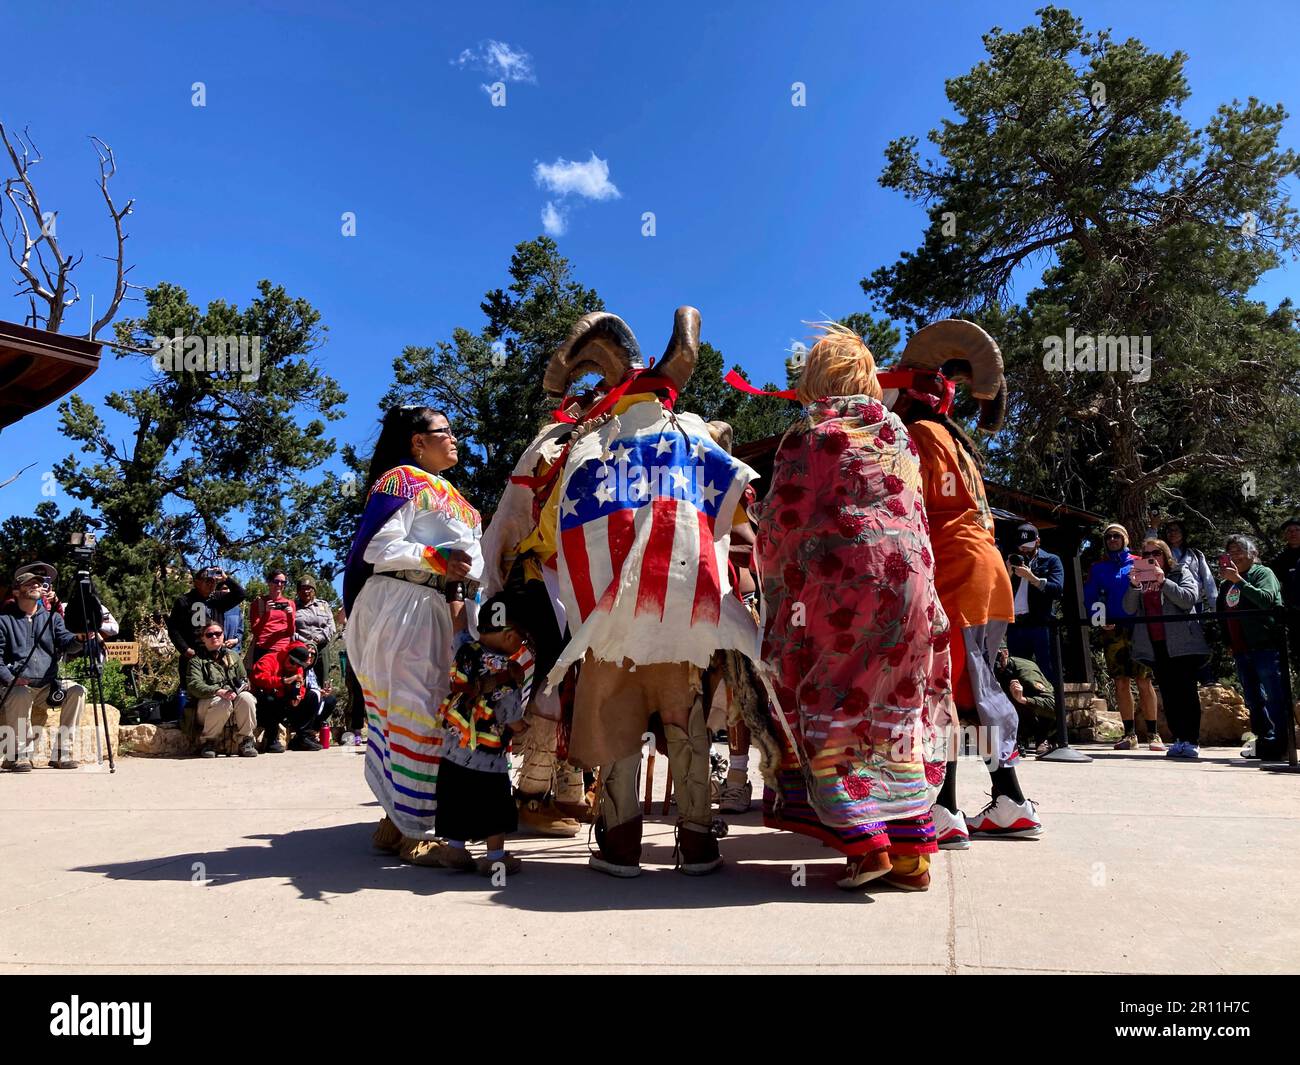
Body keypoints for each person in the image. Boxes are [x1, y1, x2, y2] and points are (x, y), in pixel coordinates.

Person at [542, 307, 759, 879]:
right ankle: (698, 844)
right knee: (685, 722)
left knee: (617, 720)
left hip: (611, 621)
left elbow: (558, 531)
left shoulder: (587, 449)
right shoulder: (690, 431)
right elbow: (735, 499)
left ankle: (619, 848)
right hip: (681, 612)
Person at [757, 323, 953, 891]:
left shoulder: (811, 431)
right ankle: (914, 853)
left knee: (835, 703)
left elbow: (784, 521)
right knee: (898, 712)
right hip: (912, 589)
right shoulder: (896, 430)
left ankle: (865, 848)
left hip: (844, 590)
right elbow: (914, 514)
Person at [887, 320, 1041, 848]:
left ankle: (946, 809)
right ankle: (1009, 802)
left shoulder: (922, 435)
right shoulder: (955, 439)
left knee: (950, 691)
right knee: (974, 690)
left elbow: (914, 509)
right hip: (985, 569)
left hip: (957, 568)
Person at [342, 404, 482, 865]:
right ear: (417, 442)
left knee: (424, 709)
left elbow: (468, 563)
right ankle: (413, 831)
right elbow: (376, 547)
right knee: (414, 713)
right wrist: (436, 558)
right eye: (444, 432)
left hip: (434, 608)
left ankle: (394, 818)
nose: (454, 438)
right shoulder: (400, 480)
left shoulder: (455, 496)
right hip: (398, 604)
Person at [431, 594, 531, 876]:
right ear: (510, 636)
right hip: (488, 758)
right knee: (494, 809)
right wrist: (525, 729)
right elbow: (510, 717)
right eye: (521, 639)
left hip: (453, 748)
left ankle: (454, 849)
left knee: (456, 799)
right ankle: (495, 858)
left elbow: (459, 626)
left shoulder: (465, 648)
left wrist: (456, 592)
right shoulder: (508, 673)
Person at [1122, 538, 1210, 760]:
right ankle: (1178, 739)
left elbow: (1189, 599)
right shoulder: (1141, 578)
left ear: (1166, 556)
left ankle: (1191, 740)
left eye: (1156, 553)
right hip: (1155, 645)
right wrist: (1133, 586)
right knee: (1169, 695)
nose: (1151, 558)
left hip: (1182, 645)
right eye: (1146, 554)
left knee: (1186, 693)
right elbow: (1129, 608)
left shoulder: (1180, 573)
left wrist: (1164, 582)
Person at [0, 563, 93, 771]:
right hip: (15, 686)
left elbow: (66, 641)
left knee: (77, 691)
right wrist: (10, 678)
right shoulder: (4, 620)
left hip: (46, 685)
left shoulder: (53, 618)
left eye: (39, 583)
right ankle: (17, 756)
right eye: (30, 583)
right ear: (16, 591)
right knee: (21, 693)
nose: (37, 585)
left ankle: (62, 754)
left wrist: (80, 638)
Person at [1084, 524, 1162, 751]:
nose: (1112, 540)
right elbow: (1091, 598)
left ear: (1126, 539)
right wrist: (1099, 619)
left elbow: (1150, 594)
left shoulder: (1140, 561)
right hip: (1112, 629)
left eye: (1117, 536)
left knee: (1144, 680)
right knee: (1120, 681)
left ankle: (1153, 734)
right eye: (1108, 537)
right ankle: (1129, 734)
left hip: (1139, 628)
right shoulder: (1099, 568)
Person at [1220, 534, 1289, 760]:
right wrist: (1228, 642)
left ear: (1253, 553)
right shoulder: (1225, 583)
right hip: (1241, 648)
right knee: (1252, 698)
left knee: (1274, 695)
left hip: (1265, 645)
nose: (1235, 556)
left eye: (1239, 551)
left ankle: (1283, 742)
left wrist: (1240, 581)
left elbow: (1267, 600)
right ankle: (1264, 740)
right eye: (1230, 552)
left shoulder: (1263, 573)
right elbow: (1223, 614)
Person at [167, 566, 246, 693]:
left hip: (216, 655)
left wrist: (226, 579)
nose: (211, 584)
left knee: (220, 689)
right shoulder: (184, 601)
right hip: (193, 655)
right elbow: (173, 628)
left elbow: (241, 594)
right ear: (197, 582)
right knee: (191, 692)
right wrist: (185, 649)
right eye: (207, 580)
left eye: (214, 581)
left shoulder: (218, 598)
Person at [1005, 522, 1064, 687]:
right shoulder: (1012, 559)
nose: (1024, 550)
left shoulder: (1051, 560)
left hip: (1040, 622)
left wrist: (1033, 579)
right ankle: (1026, 708)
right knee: (1018, 670)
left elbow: (1057, 590)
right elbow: (997, 592)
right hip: (1016, 624)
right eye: (1021, 546)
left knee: (1047, 669)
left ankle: (1053, 708)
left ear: (1038, 541)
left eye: (1028, 546)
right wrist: (1008, 574)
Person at [187, 622, 258, 758]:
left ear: (223, 635)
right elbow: (194, 685)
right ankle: (209, 742)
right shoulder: (196, 661)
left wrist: (244, 685)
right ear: (203, 638)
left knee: (246, 698)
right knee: (221, 702)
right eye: (209, 634)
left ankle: (246, 741)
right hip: (208, 706)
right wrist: (217, 691)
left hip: (233, 700)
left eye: (218, 634)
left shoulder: (233, 657)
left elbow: (243, 678)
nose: (214, 637)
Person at [251, 641, 329, 752]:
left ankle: (303, 737)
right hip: (266, 703)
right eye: (292, 661)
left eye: (298, 664)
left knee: (311, 696)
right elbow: (258, 678)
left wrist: (298, 697)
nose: (294, 666)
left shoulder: (297, 669)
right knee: (269, 699)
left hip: (285, 702)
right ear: (286, 654)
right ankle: (271, 739)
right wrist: (284, 681)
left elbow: (300, 686)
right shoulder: (269, 660)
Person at [994, 644, 1057, 756]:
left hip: (1041, 717)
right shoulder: (989, 672)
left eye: (997, 655)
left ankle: (1044, 738)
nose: (993, 660)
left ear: (1006, 653)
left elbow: (1053, 705)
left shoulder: (1025, 670)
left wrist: (1023, 699)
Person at [1269, 517, 1300, 682]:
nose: (1293, 533)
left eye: (1296, 530)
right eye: (1289, 531)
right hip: (1295, 616)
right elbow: (1273, 585)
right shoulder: (1280, 559)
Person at [294, 576, 336, 684]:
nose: (306, 591)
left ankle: (324, 697)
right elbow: (290, 630)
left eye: (309, 588)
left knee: (324, 681)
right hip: (301, 648)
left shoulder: (323, 605)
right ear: (298, 591)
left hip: (321, 647)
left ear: (314, 590)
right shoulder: (293, 606)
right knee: (300, 682)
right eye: (303, 588)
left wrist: (317, 640)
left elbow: (331, 626)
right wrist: (306, 643)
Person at [248, 570, 296, 665]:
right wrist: (267, 613)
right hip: (262, 650)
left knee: (279, 679)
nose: (279, 584)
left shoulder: (290, 604)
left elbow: (291, 632)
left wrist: (290, 616)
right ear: (269, 582)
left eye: (283, 582)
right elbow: (255, 631)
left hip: (282, 650)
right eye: (276, 581)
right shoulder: (258, 603)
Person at [301, 643, 337, 732]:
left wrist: (323, 693)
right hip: (300, 704)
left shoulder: (311, 670)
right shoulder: (298, 668)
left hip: (313, 702)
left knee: (330, 699)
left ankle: (314, 730)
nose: (310, 656)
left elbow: (315, 687)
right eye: (307, 653)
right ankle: (304, 733)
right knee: (313, 696)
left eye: (313, 654)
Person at [218, 581, 244, 653]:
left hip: (234, 651)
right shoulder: (214, 608)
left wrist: (236, 640)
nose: (228, 591)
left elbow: (240, 630)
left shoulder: (237, 609)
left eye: (230, 589)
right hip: (217, 652)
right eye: (225, 588)